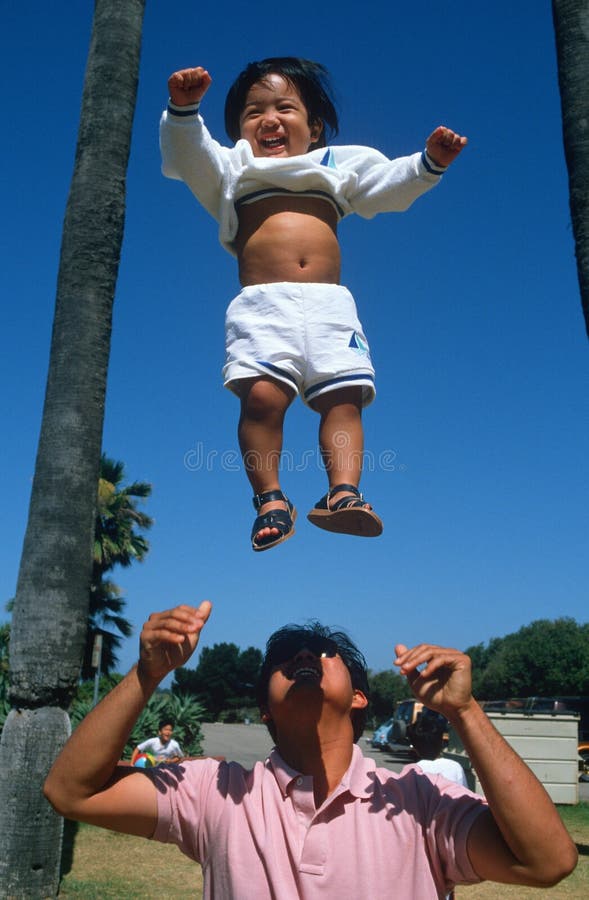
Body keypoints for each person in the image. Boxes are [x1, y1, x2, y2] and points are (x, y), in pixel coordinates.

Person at [44, 602, 577, 898]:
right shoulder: (216, 794)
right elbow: (69, 792)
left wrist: (465, 711)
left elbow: (548, 861)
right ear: (266, 710)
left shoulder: (418, 801)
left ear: (360, 697)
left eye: (324, 651)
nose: (302, 654)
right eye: (282, 657)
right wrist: (146, 674)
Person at [160, 58, 468, 551]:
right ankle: (270, 499)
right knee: (262, 398)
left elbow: (387, 185)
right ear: (239, 131)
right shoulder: (233, 169)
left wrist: (427, 163)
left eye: (285, 108)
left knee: (344, 398)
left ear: (315, 128)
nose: (270, 119)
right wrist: (184, 110)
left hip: (330, 307)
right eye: (254, 112)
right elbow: (189, 154)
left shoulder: (335, 166)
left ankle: (343, 493)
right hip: (264, 306)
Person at [407, 710, 469, 787]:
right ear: (442, 743)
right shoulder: (455, 767)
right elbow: (463, 792)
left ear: (415, 749)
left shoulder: (411, 773)